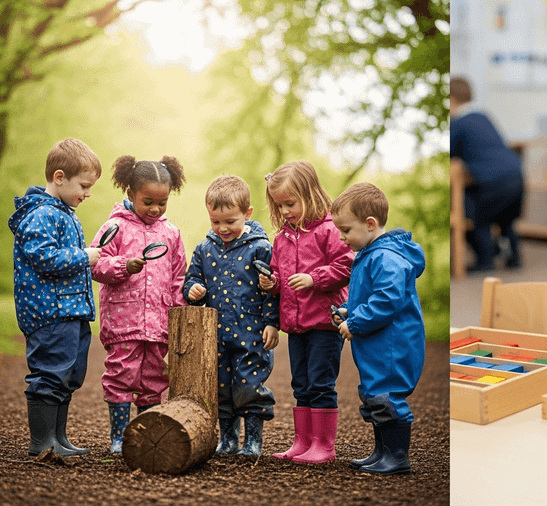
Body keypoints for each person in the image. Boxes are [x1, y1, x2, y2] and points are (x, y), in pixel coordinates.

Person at [9, 138, 102, 457]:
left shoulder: (65, 212)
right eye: (84, 186)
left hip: (71, 310)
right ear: (59, 177)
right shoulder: (41, 214)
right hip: (48, 312)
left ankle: (58, 439)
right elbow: (43, 257)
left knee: (68, 375)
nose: (88, 194)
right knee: (50, 373)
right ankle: (42, 441)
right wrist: (84, 256)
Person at [89, 155, 188, 452]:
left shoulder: (171, 233)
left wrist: (179, 310)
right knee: (122, 375)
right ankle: (119, 438)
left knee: (155, 379)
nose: (156, 209)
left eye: (163, 203)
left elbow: (178, 277)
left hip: (158, 325)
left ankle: (145, 436)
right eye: (148, 201)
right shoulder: (115, 227)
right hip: (123, 322)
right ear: (131, 194)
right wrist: (122, 266)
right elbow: (95, 264)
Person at [257, 161, 354, 464]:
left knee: (320, 383)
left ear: (310, 194)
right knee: (300, 384)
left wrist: (315, 278)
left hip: (325, 321)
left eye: (291, 203)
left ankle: (324, 446)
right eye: (280, 205)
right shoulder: (282, 237)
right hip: (296, 324)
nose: (285, 211)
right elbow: (279, 277)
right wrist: (271, 283)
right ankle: (303, 441)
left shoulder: (330, 230)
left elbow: (346, 266)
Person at [330, 182, 426, 475]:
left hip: (393, 346)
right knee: (375, 397)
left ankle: (397, 457)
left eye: (346, 230)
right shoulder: (371, 254)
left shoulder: (386, 257)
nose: (342, 237)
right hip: (377, 345)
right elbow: (371, 296)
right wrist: (349, 309)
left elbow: (387, 300)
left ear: (370, 224)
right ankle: (381, 452)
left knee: (387, 397)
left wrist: (355, 322)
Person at [183, 175, 279, 456]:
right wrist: (194, 291)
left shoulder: (260, 247)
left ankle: (253, 441)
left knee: (249, 385)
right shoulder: (204, 249)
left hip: (252, 333)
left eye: (230, 221)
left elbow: (271, 291)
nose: (222, 228)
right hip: (216, 334)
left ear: (247, 214)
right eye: (216, 222)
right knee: (220, 388)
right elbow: (190, 282)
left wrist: (272, 324)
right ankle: (228, 439)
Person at [449, 75, 524, 272]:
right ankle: (514, 258)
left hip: (494, 182)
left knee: (476, 216)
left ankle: (485, 261)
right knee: (506, 220)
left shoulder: (458, 124)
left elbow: (450, 151)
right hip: (516, 175)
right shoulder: (483, 116)